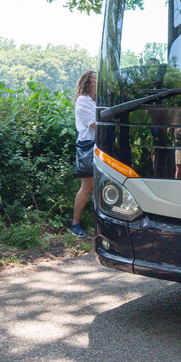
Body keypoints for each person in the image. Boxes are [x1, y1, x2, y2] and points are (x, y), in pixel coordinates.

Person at [69, 70, 97, 237]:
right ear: (88, 82)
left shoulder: (96, 101)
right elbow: (94, 124)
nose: (98, 80)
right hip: (88, 147)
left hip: (99, 146)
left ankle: (99, 223)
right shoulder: (82, 101)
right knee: (87, 187)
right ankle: (74, 223)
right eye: (95, 77)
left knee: (99, 187)